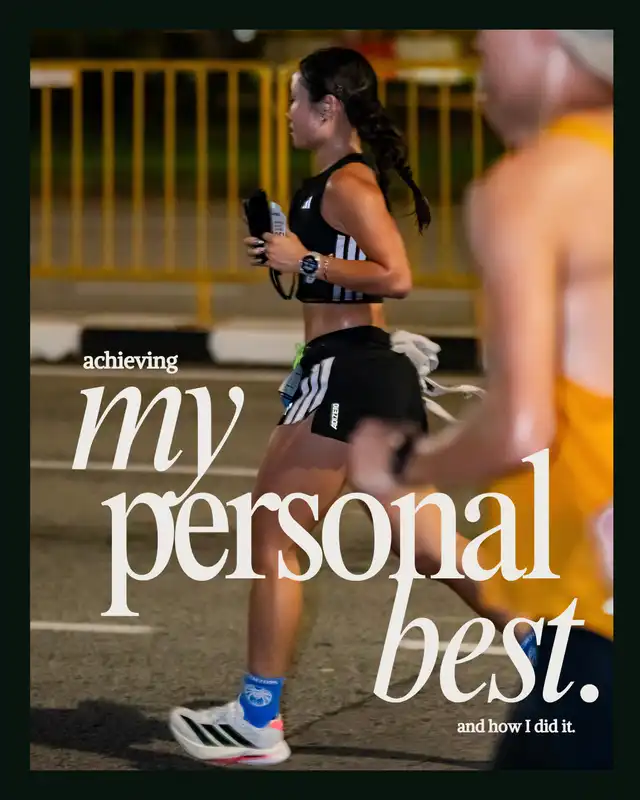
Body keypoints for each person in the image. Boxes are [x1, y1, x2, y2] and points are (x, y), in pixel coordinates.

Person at [168, 46, 529, 768]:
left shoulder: (349, 182)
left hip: (350, 374)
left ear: (328, 108)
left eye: (296, 99)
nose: (288, 113)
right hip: (361, 371)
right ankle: (562, 656)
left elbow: (395, 274)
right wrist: (293, 256)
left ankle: (257, 721)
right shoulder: (330, 186)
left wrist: (302, 260)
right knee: (426, 545)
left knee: (274, 538)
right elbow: (348, 280)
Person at [348, 30, 613, 770]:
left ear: (553, 43)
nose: (478, 50)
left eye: (495, 33)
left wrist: (402, 466)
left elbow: (519, 428)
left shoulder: (537, 184)